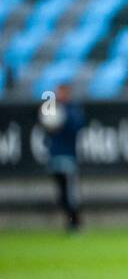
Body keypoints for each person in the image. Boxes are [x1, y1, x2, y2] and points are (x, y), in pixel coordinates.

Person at [38, 84, 85, 232]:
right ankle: (70, 222)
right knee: (61, 195)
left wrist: (63, 119)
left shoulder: (72, 109)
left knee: (70, 194)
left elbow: (77, 126)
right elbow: (45, 127)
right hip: (55, 157)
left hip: (68, 158)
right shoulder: (52, 107)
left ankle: (74, 224)